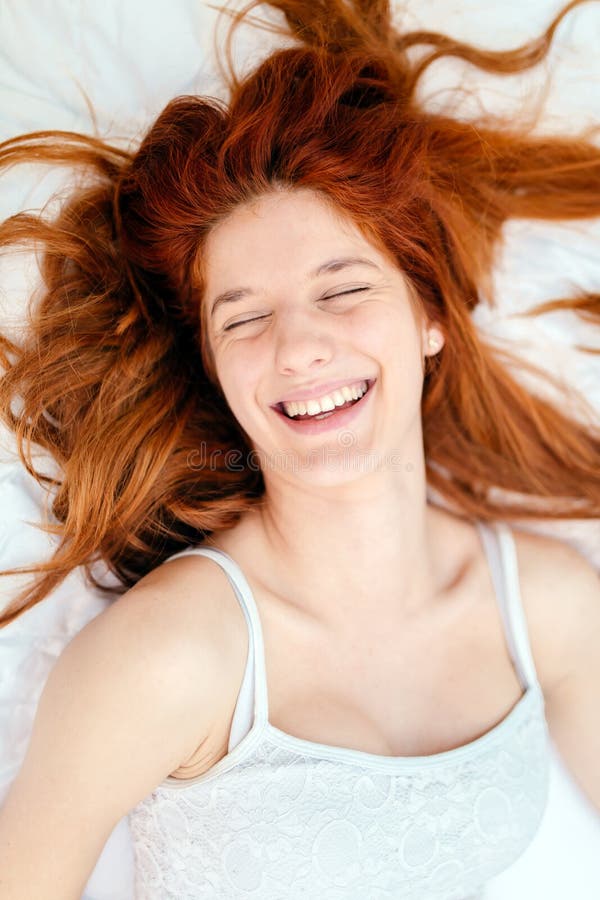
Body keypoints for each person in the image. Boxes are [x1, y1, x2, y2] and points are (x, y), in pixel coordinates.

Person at [0, 0, 599, 897]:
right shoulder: (172, 655)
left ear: (429, 316)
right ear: (212, 360)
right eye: (244, 316)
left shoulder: (546, 607)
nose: (298, 348)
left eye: (343, 289)